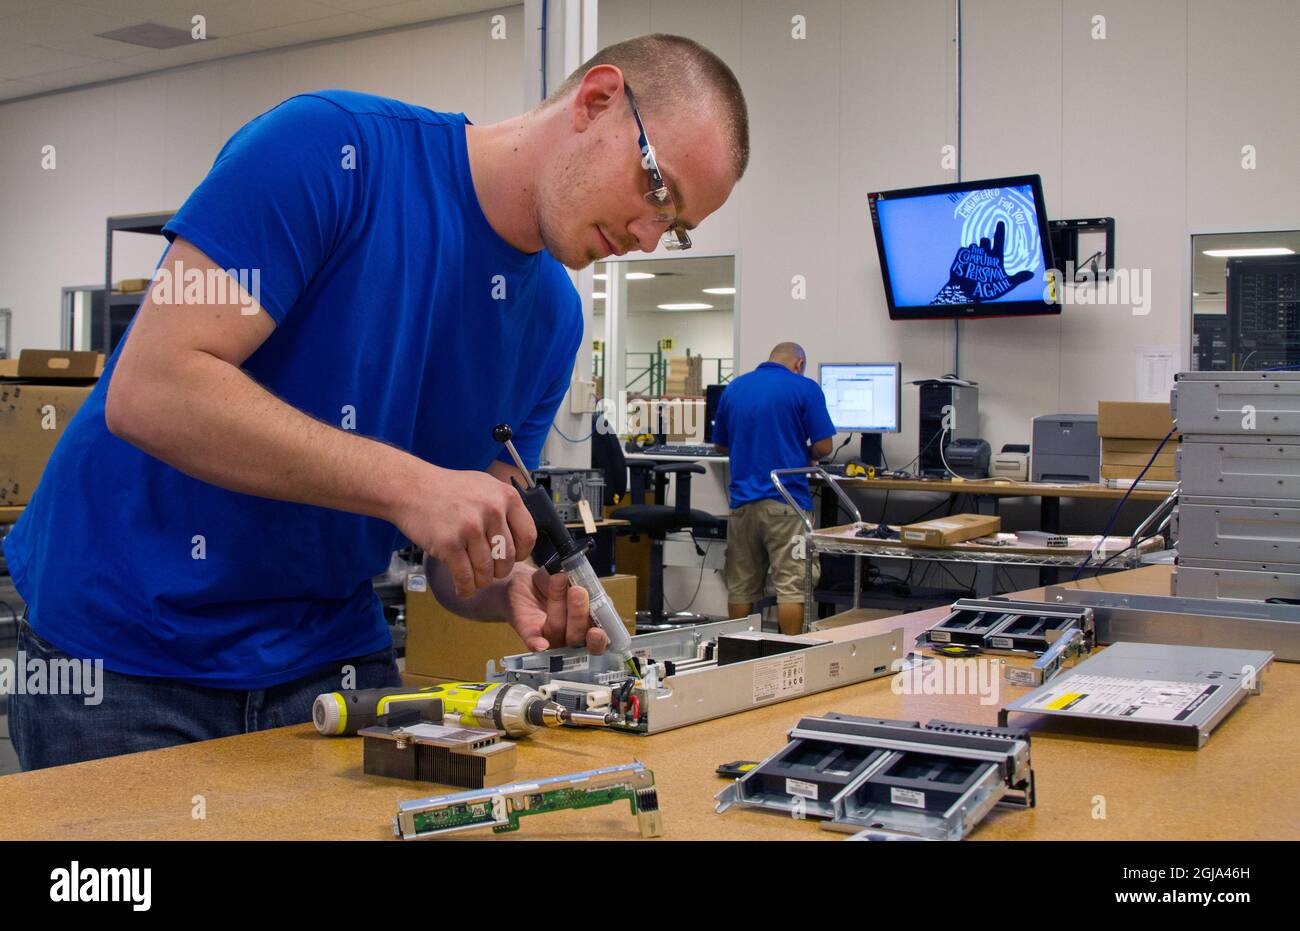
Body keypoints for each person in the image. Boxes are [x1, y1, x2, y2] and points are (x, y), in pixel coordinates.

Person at [3, 34, 749, 770]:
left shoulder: (552, 322)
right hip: (129, 653)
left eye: (676, 229)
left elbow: (456, 561)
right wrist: (407, 484)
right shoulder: (329, 150)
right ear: (597, 99)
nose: (649, 236)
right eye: (658, 188)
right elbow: (151, 389)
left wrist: (509, 585)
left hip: (326, 660)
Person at [712, 343, 834, 635]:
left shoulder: (735, 388)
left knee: (741, 586)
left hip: (742, 505)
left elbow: (720, 444)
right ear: (798, 363)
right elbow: (825, 447)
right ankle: (790, 658)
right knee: (791, 586)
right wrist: (803, 450)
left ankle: (737, 653)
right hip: (786, 502)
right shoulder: (805, 388)